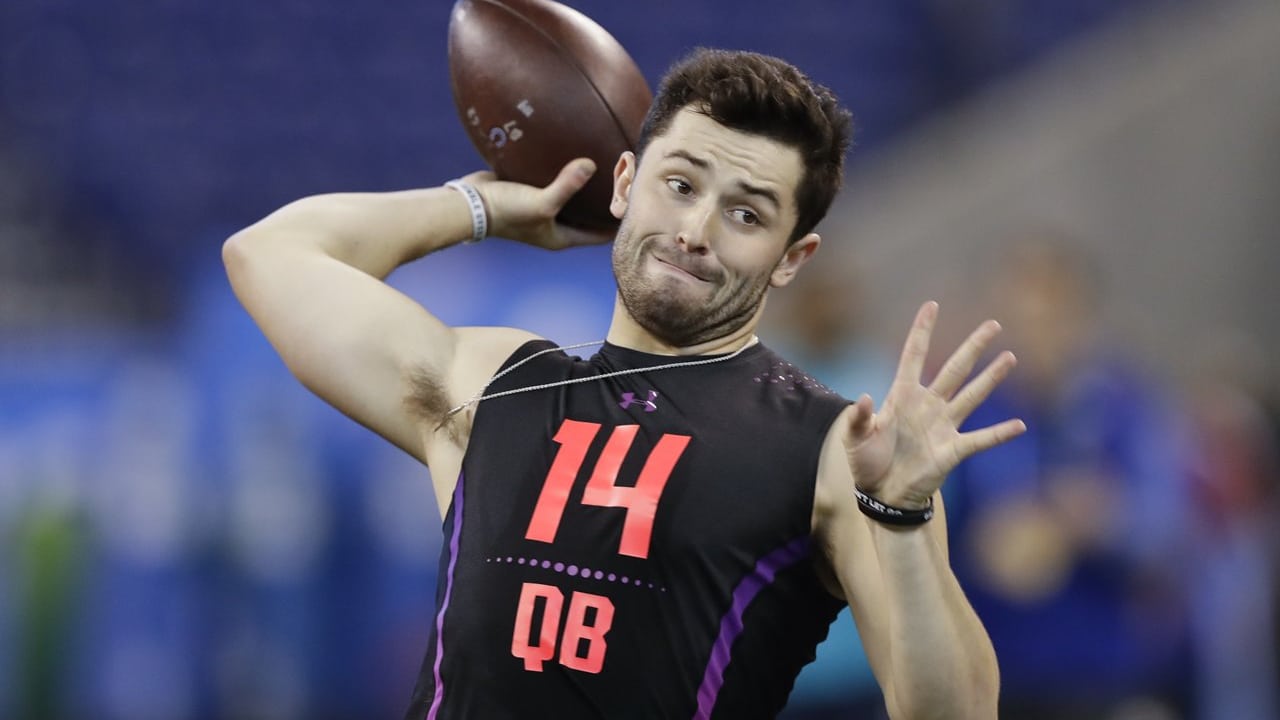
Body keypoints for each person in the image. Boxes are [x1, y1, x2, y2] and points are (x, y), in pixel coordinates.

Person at [223, 48, 1023, 719]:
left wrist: (905, 514)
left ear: (792, 258)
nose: (695, 232)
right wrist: (479, 207)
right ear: (623, 184)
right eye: (680, 185)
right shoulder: (495, 386)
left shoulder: (832, 450)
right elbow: (268, 256)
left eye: (746, 215)